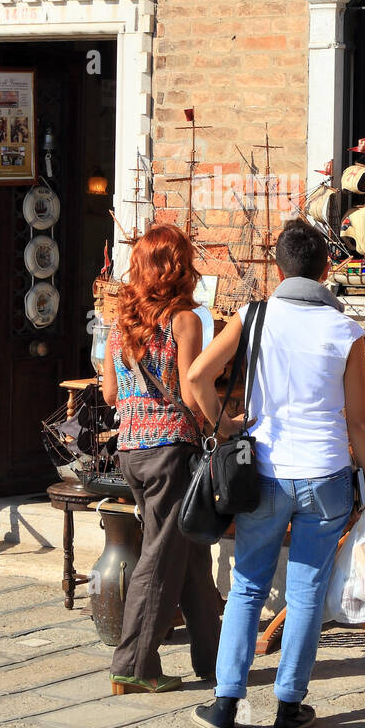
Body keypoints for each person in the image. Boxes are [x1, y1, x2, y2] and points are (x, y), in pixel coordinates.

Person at [187, 218, 365, 728]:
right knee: (308, 590)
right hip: (326, 474)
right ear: (326, 270)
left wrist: (223, 427)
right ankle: (289, 706)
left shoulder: (254, 315)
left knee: (248, 585)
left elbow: (197, 376)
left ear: (278, 267)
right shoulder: (345, 330)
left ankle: (227, 702)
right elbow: (359, 420)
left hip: (264, 471)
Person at [100, 224, 222, 695]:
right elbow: (194, 392)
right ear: (178, 266)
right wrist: (225, 424)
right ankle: (132, 665)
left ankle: (214, 659)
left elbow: (111, 393)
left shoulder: (120, 323)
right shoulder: (184, 319)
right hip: (172, 453)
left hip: (132, 451)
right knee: (158, 558)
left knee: (189, 553)